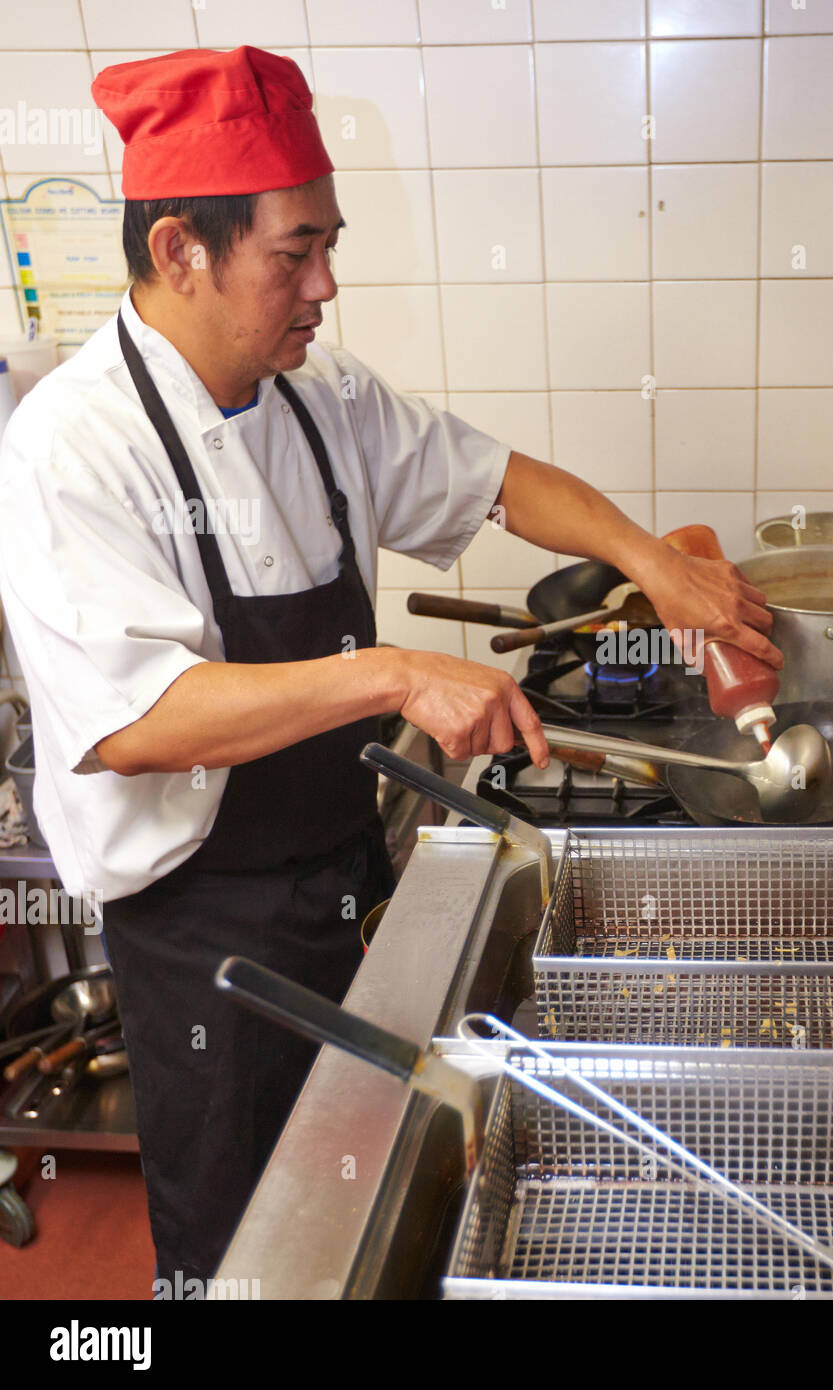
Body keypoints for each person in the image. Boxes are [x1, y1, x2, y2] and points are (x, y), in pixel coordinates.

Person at [0, 46, 778, 1288]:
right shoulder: (67, 451)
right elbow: (138, 720)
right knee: (246, 1248)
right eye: (292, 254)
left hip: (346, 881)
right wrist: (396, 673)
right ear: (180, 253)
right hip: (206, 930)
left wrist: (651, 559)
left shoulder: (318, 396)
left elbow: (498, 481)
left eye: (329, 246)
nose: (324, 286)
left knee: (359, 1210)